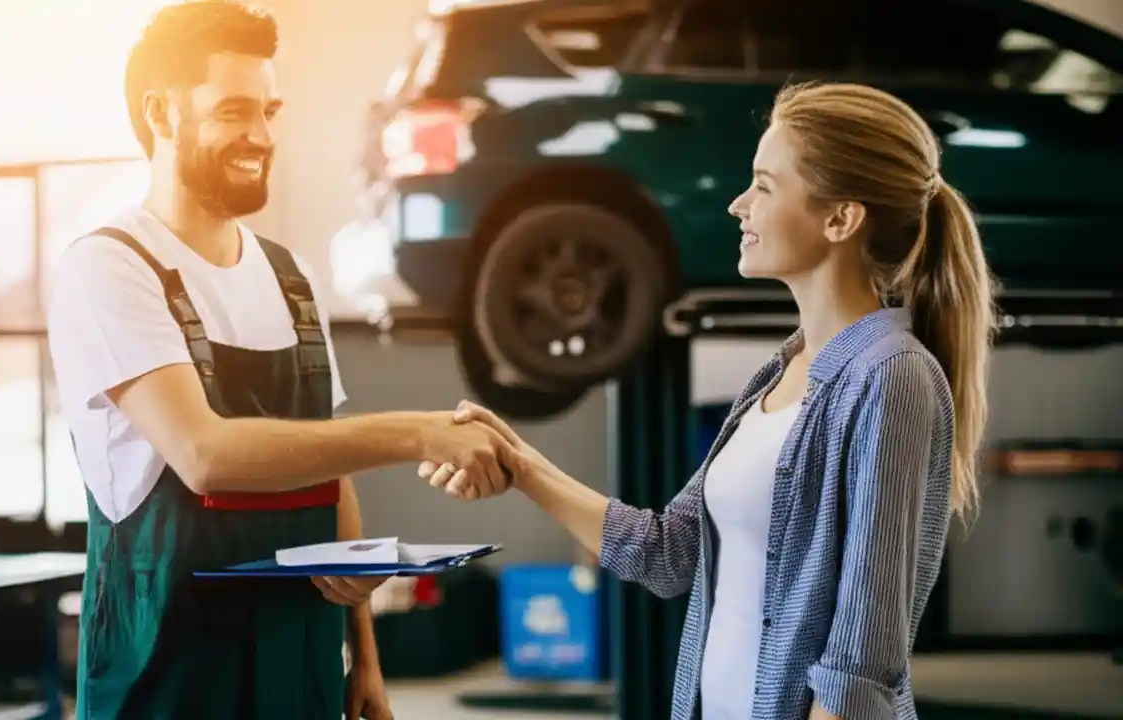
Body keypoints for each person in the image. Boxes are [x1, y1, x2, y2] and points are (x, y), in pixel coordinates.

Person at [423, 82, 996, 720]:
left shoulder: (891, 377)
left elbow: (862, 658)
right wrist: (523, 466)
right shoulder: (777, 374)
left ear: (840, 219)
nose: (737, 205)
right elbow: (670, 554)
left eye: (764, 185)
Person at [46, 2, 515, 718]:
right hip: (167, 672)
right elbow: (204, 453)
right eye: (235, 111)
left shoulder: (289, 276)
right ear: (162, 113)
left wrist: (364, 651)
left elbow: (328, 470)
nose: (261, 136)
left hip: (298, 666)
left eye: (269, 110)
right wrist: (418, 433)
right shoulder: (110, 267)